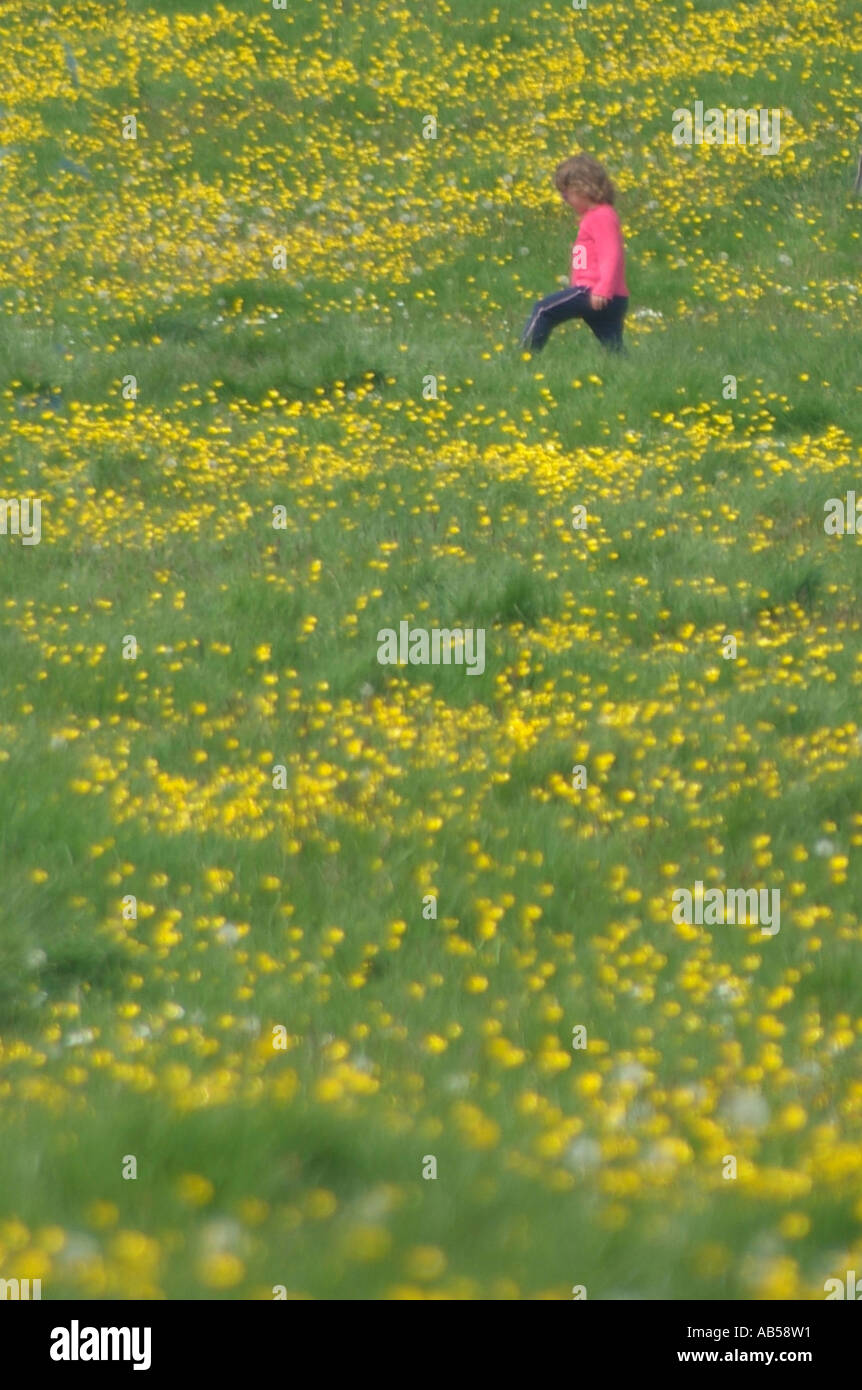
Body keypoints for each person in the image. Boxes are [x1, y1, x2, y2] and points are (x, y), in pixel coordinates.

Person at [519, 154, 629, 354]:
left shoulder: (602, 216)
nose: (565, 200)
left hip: (594, 291)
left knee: (543, 310)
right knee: (613, 347)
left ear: (584, 188)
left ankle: (523, 357)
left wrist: (602, 289)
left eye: (566, 194)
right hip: (605, 294)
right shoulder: (594, 217)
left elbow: (611, 254)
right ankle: (629, 370)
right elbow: (584, 256)